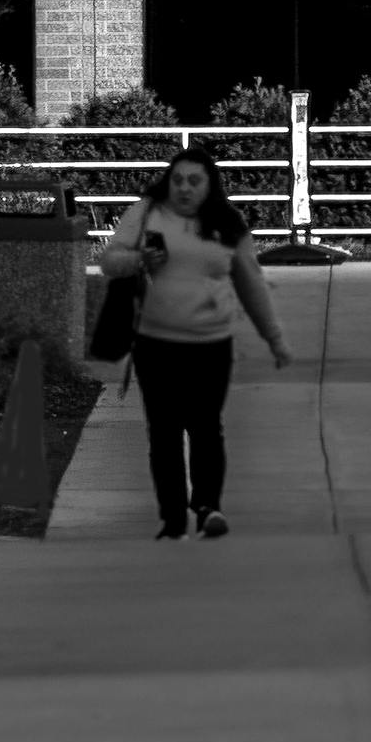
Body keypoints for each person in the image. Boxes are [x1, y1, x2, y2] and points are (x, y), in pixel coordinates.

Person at [99, 144, 291, 538]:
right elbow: (110, 260)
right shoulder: (147, 213)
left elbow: (250, 282)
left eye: (194, 181)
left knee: (206, 427)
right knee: (165, 432)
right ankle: (172, 518)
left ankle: (208, 507)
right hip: (156, 343)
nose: (184, 189)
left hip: (211, 344)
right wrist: (138, 261)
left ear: (210, 186)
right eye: (178, 180)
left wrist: (274, 339)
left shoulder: (227, 224)